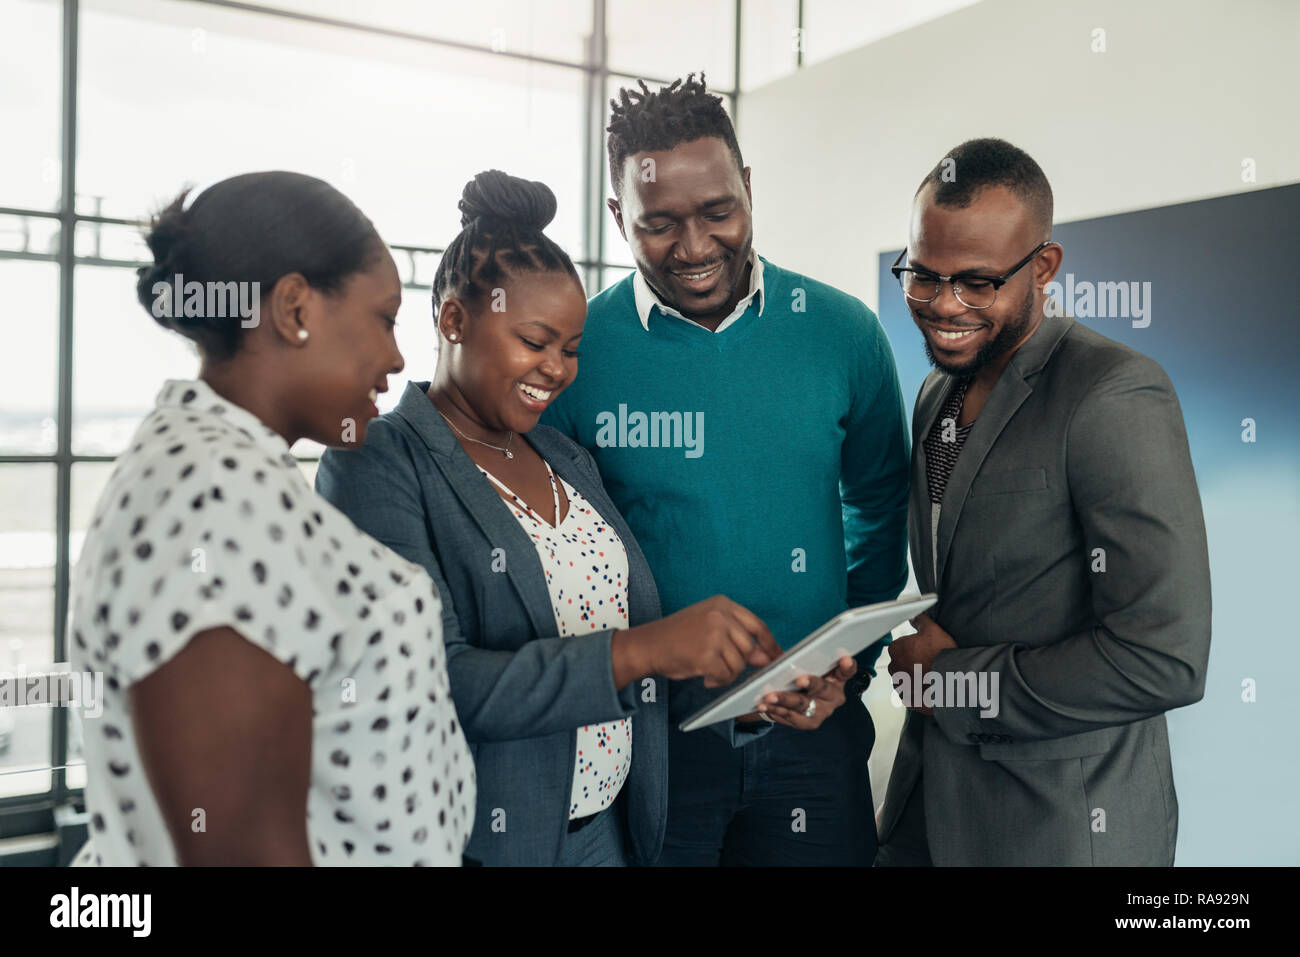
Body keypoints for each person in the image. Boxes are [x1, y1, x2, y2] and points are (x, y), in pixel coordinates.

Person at [316, 170, 794, 867]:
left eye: (571, 349)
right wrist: (649, 647)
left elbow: (622, 648)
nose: (557, 369)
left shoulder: (565, 457)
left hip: (612, 834)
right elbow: (434, 682)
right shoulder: (378, 462)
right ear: (453, 320)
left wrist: (741, 690)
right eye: (535, 341)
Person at [540, 75, 910, 866]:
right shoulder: (577, 355)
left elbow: (879, 502)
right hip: (650, 745)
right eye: (661, 224)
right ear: (618, 218)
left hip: (816, 735)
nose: (697, 246)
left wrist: (851, 665)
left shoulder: (843, 333)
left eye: (717, 212)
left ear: (748, 186)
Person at [68, 171, 474, 866]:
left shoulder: (223, 470)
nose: (397, 357)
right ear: (293, 309)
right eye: (383, 318)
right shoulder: (211, 494)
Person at [875, 138, 1211, 866]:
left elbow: (1163, 658)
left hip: (1061, 829)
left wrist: (952, 681)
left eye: (975, 282)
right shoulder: (938, 389)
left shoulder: (1114, 392)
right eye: (922, 275)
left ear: (1045, 268)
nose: (941, 305)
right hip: (928, 809)